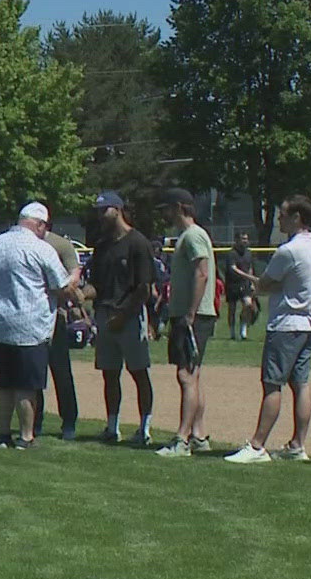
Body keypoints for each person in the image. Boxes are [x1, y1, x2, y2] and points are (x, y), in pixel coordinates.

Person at [224, 196, 311, 464]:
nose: (279, 219)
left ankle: (257, 446)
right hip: (309, 323)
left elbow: (265, 284)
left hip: (286, 326)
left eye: (283, 214)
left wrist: (257, 284)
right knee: (301, 384)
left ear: (296, 218)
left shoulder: (288, 250)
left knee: (272, 385)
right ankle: (297, 445)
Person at [0, 203, 80, 449]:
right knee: (26, 386)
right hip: (29, 326)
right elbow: (61, 286)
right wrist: (75, 284)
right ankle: (26, 436)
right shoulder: (41, 248)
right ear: (40, 225)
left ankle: (4, 435)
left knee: (4, 384)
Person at [85, 192, 156, 446]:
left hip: (130, 316)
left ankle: (144, 429)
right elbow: (97, 285)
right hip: (105, 314)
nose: (100, 215)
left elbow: (144, 288)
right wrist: (81, 294)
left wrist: (123, 316)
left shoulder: (138, 242)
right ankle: (112, 427)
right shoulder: (102, 245)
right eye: (98, 210)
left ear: (117, 209)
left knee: (138, 372)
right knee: (110, 374)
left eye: (104, 210)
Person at [156, 188, 216, 458]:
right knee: (193, 375)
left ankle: (182, 439)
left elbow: (202, 273)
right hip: (187, 313)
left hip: (193, 315)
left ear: (179, 207)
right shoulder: (186, 236)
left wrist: (190, 313)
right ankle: (199, 435)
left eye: (167, 209)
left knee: (186, 376)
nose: (165, 214)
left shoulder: (193, 235)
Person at [31, 216, 84, 441]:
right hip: (32, 316)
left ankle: (69, 421)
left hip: (56, 316)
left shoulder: (60, 245)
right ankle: (35, 421)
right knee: (34, 372)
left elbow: (75, 274)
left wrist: (61, 290)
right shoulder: (25, 244)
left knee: (61, 371)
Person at [225, 233, 257, 341]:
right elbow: (233, 268)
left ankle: (243, 331)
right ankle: (232, 332)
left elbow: (250, 268)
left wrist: (251, 282)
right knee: (232, 309)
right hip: (233, 284)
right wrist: (248, 276)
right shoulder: (231, 253)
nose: (245, 241)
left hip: (245, 283)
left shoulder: (248, 253)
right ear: (237, 240)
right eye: (243, 239)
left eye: (246, 239)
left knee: (248, 305)